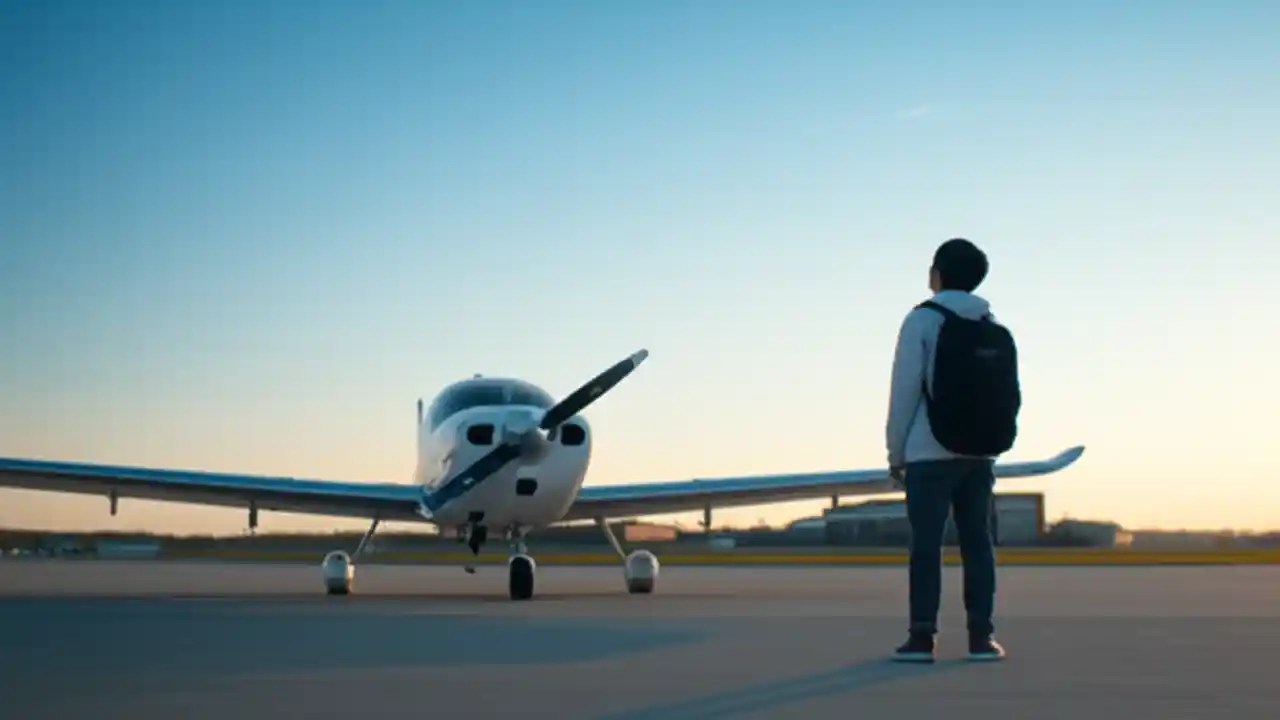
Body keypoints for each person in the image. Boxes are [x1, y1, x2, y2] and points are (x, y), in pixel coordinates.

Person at [885, 237, 1020, 663]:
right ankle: (982, 638)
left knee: (926, 546)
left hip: (930, 452)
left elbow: (904, 389)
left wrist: (896, 451)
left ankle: (922, 638)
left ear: (938, 274)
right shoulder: (992, 324)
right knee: (978, 545)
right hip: (979, 455)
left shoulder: (922, 320)